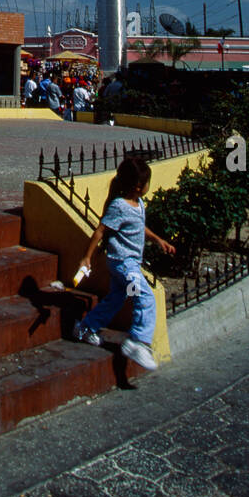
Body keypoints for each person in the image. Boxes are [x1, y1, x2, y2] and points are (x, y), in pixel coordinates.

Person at [72, 154, 175, 371]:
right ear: (139, 186)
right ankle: (137, 341)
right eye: (147, 181)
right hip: (122, 263)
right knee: (145, 296)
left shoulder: (137, 204)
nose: (148, 185)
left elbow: (138, 227)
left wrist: (157, 239)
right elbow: (100, 230)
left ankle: (85, 328)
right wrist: (86, 257)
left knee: (117, 297)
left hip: (128, 263)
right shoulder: (119, 206)